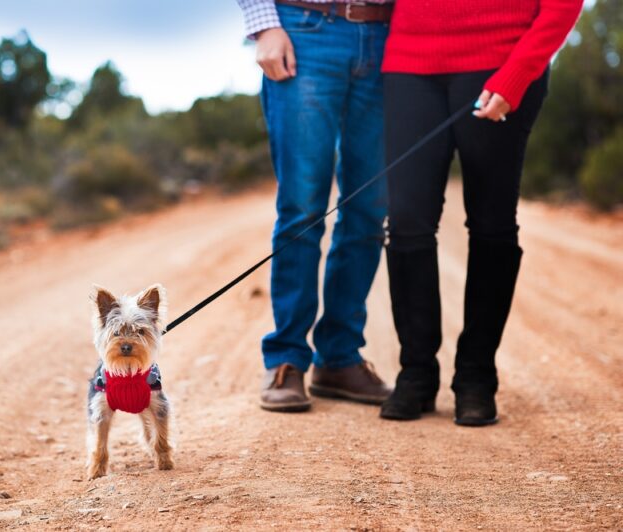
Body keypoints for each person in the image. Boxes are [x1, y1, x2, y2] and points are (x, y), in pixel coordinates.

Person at [378, 0, 583, 425]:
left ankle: (476, 377)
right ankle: (416, 373)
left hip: (500, 60)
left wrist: (517, 74)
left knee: (492, 222)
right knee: (406, 221)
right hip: (409, 64)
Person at [236, 0, 395, 412]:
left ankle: (339, 358)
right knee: (303, 206)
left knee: (369, 209)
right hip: (305, 27)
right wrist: (264, 24)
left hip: (386, 34)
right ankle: (286, 358)